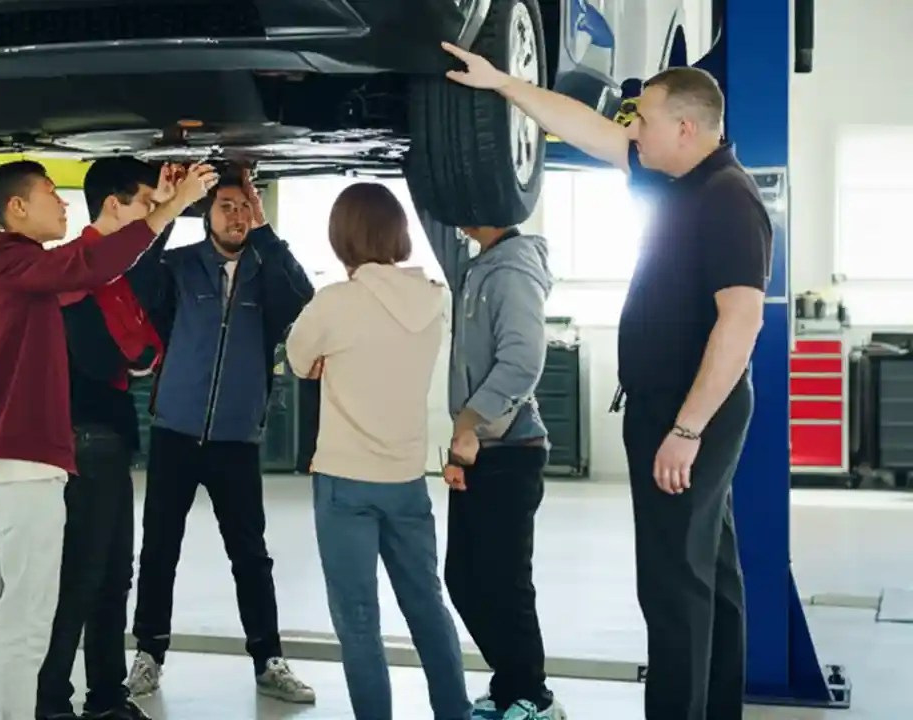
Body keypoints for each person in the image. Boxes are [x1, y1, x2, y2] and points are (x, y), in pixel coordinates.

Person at [441, 43, 771, 720]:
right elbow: (589, 130)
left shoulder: (728, 199)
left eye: (644, 118)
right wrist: (506, 84)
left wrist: (685, 429)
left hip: (688, 415)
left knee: (673, 585)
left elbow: (740, 324)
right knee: (709, 573)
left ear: (686, 127)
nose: (632, 128)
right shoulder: (672, 179)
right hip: (670, 409)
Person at [0, 159, 217, 720]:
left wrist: (160, 213)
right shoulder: (16, 263)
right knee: (26, 619)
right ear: (17, 209)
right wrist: (172, 208)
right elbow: (91, 261)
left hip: (8, 462)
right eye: (52, 193)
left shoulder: (6, 270)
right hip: (26, 462)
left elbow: (96, 260)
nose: (64, 203)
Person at [127, 170, 318, 704]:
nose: (235, 215)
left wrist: (268, 234)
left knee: (250, 554)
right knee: (160, 549)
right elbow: (137, 282)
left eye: (243, 206)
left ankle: (268, 658)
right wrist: (165, 213)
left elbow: (305, 301)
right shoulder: (181, 265)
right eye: (226, 205)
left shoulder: (266, 268)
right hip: (175, 431)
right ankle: (148, 654)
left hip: (237, 438)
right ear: (206, 213)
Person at [285, 182, 471, 720]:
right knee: (427, 607)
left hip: (344, 480)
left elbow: (299, 360)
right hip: (407, 479)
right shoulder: (435, 297)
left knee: (358, 620)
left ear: (342, 237)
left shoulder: (336, 302)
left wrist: (326, 360)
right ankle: (453, 713)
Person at [34, 158, 188, 720]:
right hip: (83, 440)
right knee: (81, 578)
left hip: (108, 441)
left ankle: (106, 698)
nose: (154, 216)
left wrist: (168, 206)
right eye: (146, 205)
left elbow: (139, 269)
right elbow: (107, 354)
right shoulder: (77, 272)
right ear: (114, 206)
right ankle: (51, 703)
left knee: (112, 578)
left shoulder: (114, 274)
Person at [440, 223, 564, 720]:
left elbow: (523, 361)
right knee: (465, 579)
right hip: (479, 449)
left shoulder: (512, 271)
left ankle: (534, 697)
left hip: (510, 450)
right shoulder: (475, 264)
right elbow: (435, 222)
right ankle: (512, 682)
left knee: (505, 583)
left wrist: (467, 424)